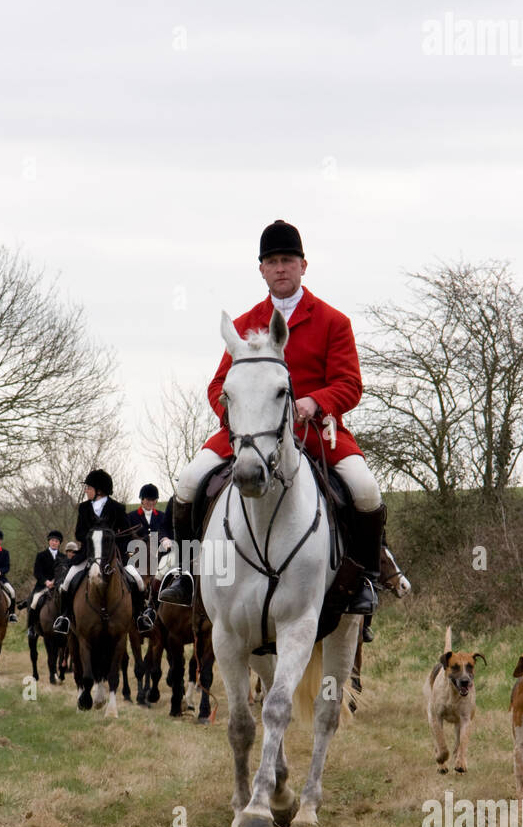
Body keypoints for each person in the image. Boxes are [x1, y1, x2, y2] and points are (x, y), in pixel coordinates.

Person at [159, 220, 385, 616]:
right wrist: (235, 420)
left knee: (365, 490)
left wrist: (315, 401)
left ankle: (363, 577)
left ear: (303, 265)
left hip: (316, 433)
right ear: (261, 269)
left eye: (288, 260)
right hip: (249, 436)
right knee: (188, 481)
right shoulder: (245, 324)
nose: (281, 268)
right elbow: (217, 386)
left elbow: (350, 384)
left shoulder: (333, 321)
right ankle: (186, 573)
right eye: (272, 261)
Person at [52, 470, 156, 636]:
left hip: (113, 556)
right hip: (88, 555)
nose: (86, 490)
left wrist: (112, 539)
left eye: (89, 487)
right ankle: (64, 617)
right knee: (67, 581)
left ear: (99, 490)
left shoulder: (117, 507)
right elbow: (79, 533)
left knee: (138, 581)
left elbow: (127, 533)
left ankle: (139, 616)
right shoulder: (84, 508)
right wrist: (95, 535)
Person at [126, 483, 171, 573]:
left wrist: (165, 539)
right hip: (137, 558)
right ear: (142, 499)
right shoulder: (131, 517)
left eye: (153, 500)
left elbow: (165, 531)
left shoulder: (162, 516)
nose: (151, 502)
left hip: (158, 557)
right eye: (148, 499)